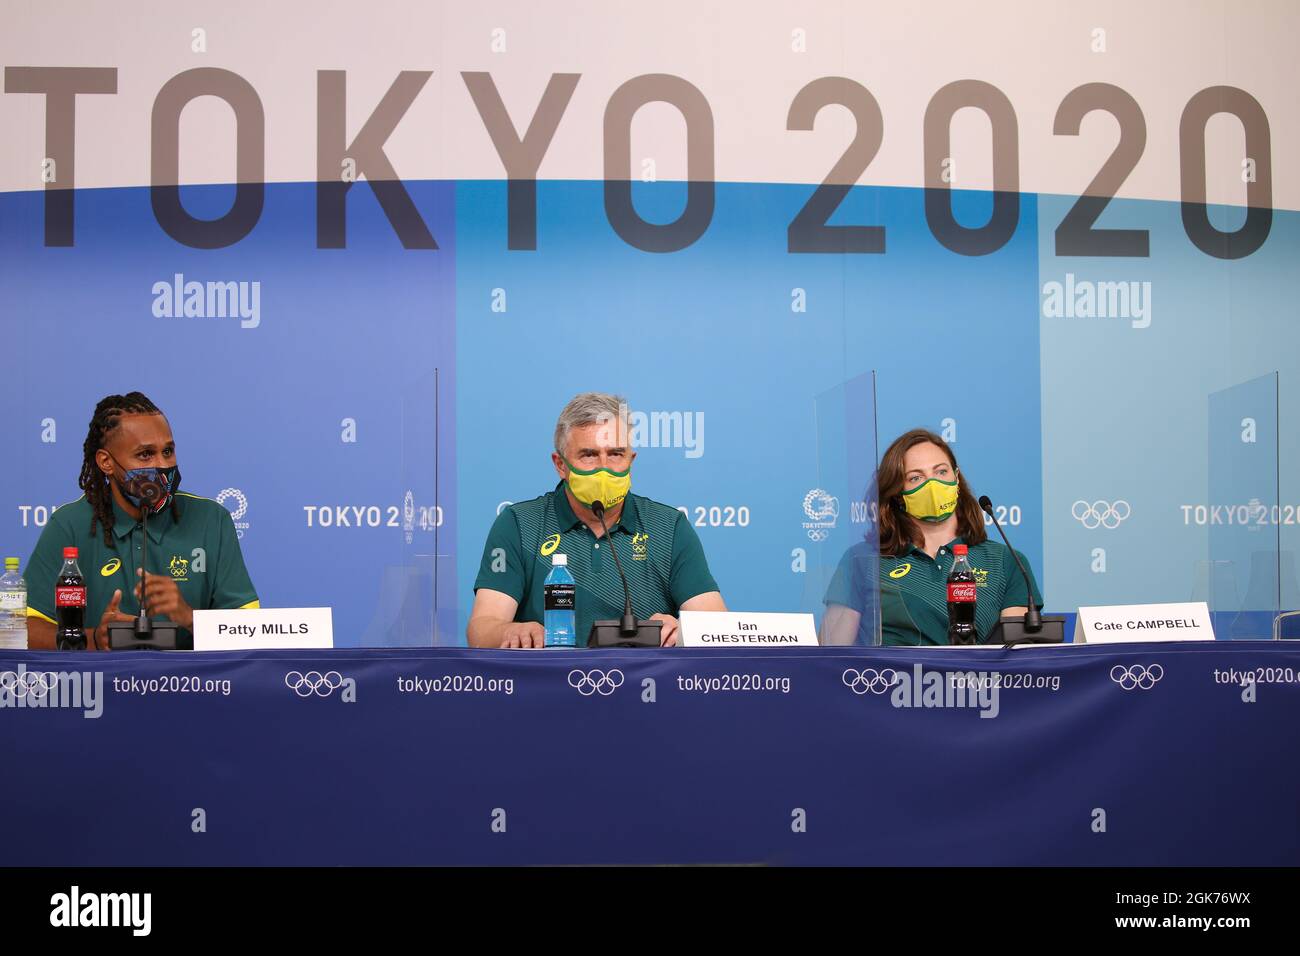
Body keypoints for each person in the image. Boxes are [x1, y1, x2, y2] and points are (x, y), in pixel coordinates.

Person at [468, 392, 726, 648]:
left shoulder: (669, 527)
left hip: (647, 683)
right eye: (589, 455)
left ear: (631, 460)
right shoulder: (518, 524)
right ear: (560, 464)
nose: (604, 468)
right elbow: (482, 629)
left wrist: (683, 631)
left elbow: (718, 629)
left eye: (615, 454)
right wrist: (510, 631)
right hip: (547, 682)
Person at [25, 392, 259, 650]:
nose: (162, 465)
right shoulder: (69, 524)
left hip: (190, 685)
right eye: (145, 455)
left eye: (168, 451)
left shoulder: (213, 520)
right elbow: (27, 630)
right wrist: (93, 639)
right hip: (99, 687)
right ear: (106, 462)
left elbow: (250, 629)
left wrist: (189, 618)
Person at [822, 428, 1041, 645]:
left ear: (956, 478)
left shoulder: (1005, 561)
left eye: (941, 472)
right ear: (897, 493)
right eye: (916, 477)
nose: (932, 484)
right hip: (893, 678)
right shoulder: (864, 559)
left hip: (973, 679)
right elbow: (831, 653)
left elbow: (1016, 663)